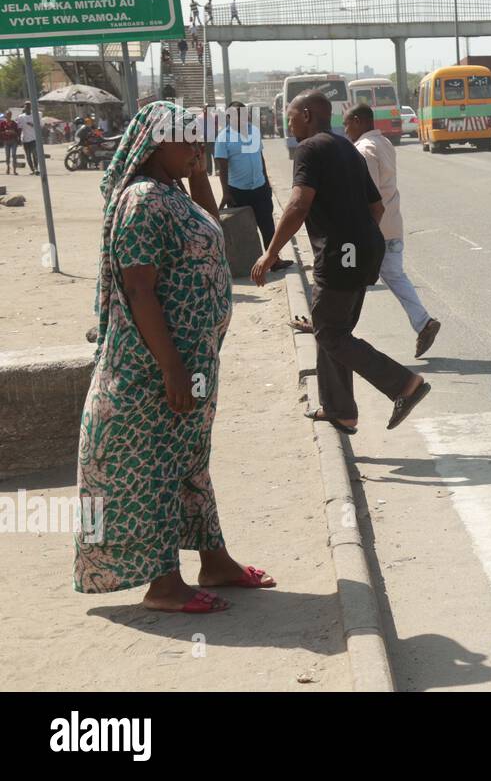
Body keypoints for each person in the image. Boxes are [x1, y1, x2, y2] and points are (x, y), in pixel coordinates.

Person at [75, 100, 275, 613]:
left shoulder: (172, 192)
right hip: (151, 370)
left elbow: (211, 226)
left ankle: (214, 560)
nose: (198, 148)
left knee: (190, 463)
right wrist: (172, 367)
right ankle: (163, 586)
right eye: (188, 139)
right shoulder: (143, 199)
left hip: (192, 364)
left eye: (201, 141)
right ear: (153, 143)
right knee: (151, 470)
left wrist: (195, 169)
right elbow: (139, 290)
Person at [251, 91, 430, 432]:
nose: (288, 124)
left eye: (290, 117)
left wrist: (270, 252)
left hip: (340, 255)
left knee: (330, 333)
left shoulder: (309, 150)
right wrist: (359, 239)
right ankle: (340, 410)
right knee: (333, 331)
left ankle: (404, 383)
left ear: (306, 114)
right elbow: (376, 208)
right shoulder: (346, 147)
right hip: (366, 251)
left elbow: (298, 205)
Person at [343, 103, 442, 357]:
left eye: (346, 124)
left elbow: (369, 195)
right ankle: (423, 323)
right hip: (392, 224)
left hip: (376, 229)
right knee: (393, 276)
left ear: (357, 121)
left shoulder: (363, 150)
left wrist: (362, 232)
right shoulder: (384, 143)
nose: (345, 131)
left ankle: (335, 329)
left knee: (351, 277)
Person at [215, 101, 292, 271]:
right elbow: (222, 168)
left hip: (260, 187)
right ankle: (249, 263)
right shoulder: (223, 137)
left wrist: (267, 183)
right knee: (244, 228)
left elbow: (260, 158)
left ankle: (274, 261)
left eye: (244, 113)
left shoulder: (254, 132)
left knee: (268, 226)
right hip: (238, 191)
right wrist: (226, 193)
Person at [16, 101, 38, 175]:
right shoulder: (21, 117)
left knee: (35, 154)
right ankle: (32, 170)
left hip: (33, 138)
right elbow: (19, 128)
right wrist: (18, 138)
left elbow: (39, 126)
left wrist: (33, 124)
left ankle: (36, 168)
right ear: (24, 108)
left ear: (31, 107)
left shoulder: (34, 115)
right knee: (28, 156)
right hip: (25, 140)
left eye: (29, 106)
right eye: (26, 107)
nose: (27, 108)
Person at [0, 109, 18, 174]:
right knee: (7, 155)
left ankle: (14, 170)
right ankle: (8, 167)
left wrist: (13, 132)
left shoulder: (14, 123)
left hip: (13, 141)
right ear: (5, 115)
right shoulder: (2, 123)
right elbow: (0, 132)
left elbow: (17, 132)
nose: (9, 116)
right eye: (8, 115)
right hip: (6, 141)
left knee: (13, 155)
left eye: (10, 115)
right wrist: (5, 132)